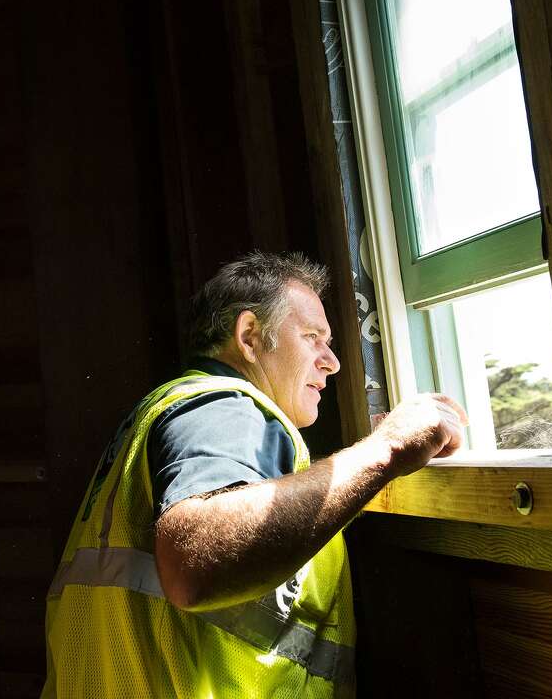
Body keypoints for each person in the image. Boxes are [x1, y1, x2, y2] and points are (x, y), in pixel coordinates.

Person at [41, 251, 467, 698]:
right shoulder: (225, 407)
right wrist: (387, 450)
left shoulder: (170, 410)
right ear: (249, 337)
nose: (332, 361)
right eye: (312, 337)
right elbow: (194, 564)